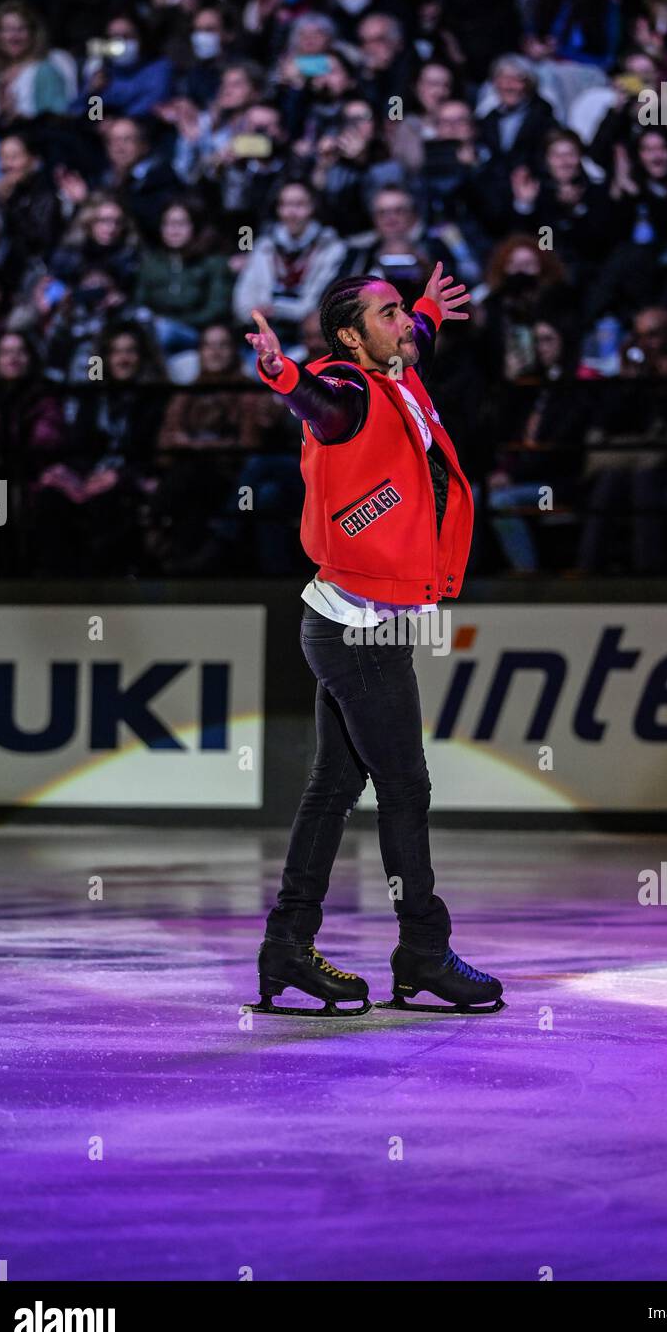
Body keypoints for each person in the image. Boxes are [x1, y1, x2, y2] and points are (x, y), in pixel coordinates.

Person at [242, 262, 505, 1016]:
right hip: (357, 630)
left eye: (400, 314)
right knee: (406, 787)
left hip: (350, 619)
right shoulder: (348, 390)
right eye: (386, 316)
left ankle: (287, 949)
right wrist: (284, 375)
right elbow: (321, 406)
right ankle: (422, 951)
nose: (404, 325)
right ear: (351, 338)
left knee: (334, 787)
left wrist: (426, 309)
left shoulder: (393, 360)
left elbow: (414, 333)